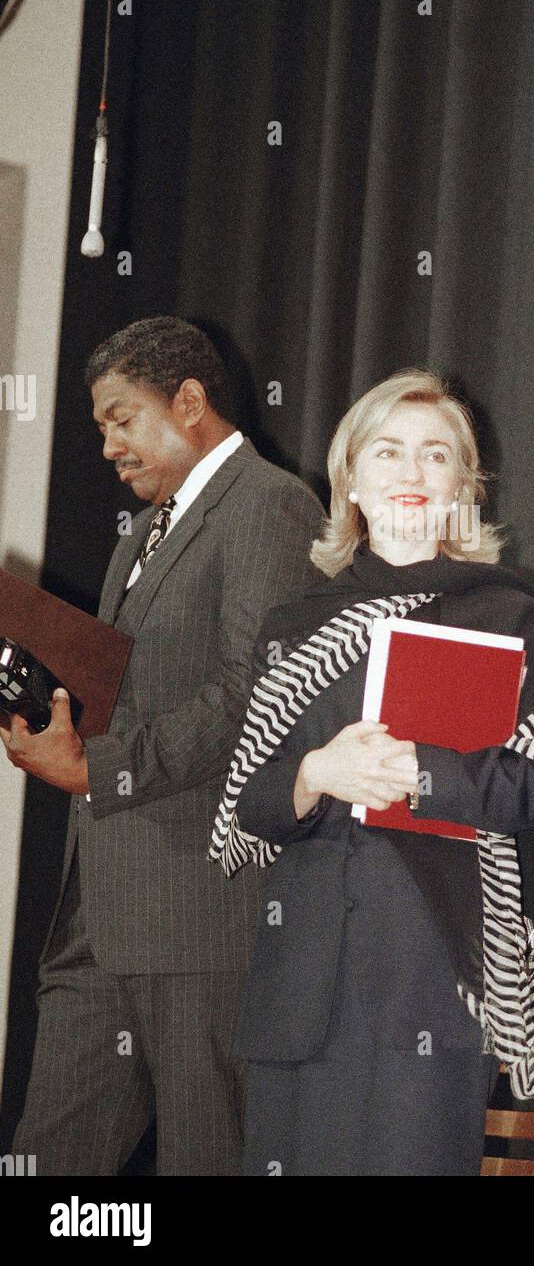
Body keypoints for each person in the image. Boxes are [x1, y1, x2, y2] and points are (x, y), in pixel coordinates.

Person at [211, 367, 534, 1176]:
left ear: (464, 484)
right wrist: (315, 770)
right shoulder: (294, 623)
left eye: (435, 455)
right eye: (387, 453)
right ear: (349, 480)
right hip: (295, 985)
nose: (411, 473)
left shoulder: (513, 614)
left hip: (430, 977)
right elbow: (247, 805)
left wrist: (429, 772)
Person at [1, 316, 325, 1175]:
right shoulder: (139, 536)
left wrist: (93, 767)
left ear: (188, 403)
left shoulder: (271, 504)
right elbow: (126, 692)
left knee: (204, 1162)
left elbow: (251, 695)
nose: (108, 446)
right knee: (45, 1163)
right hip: (96, 921)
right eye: (100, 427)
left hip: (198, 923)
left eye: (121, 419)